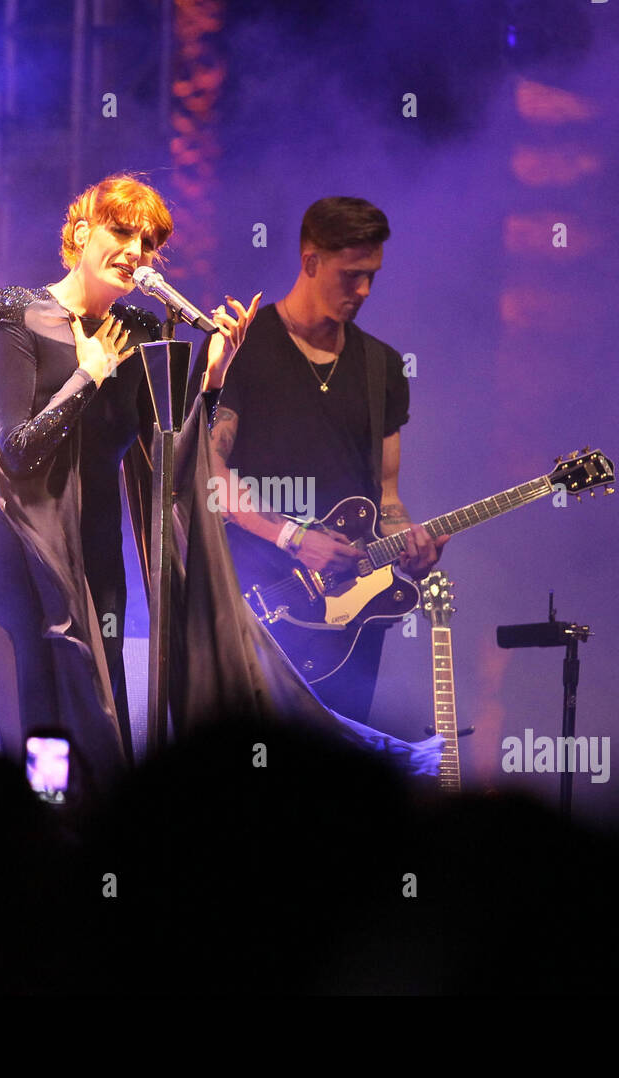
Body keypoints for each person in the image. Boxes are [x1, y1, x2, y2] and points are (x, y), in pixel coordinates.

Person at [0, 173, 259, 797]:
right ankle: (44, 849)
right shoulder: (15, 313)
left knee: (102, 725)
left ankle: (100, 862)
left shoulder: (141, 330)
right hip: (23, 556)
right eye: (122, 231)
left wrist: (211, 381)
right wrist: (86, 377)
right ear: (81, 233)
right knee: (42, 734)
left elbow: (173, 453)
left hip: (95, 555)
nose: (137, 250)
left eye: (149, 242)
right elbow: (14, 454)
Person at [205, 197, 448, 723]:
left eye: (372, 277)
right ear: (311, 263)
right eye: (351, 275)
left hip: (352, 611)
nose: (363, 291)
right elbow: (209, 473)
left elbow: (386, 495)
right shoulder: (245, 347)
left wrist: (410, 543)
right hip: (258, 597)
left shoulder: (381, 365)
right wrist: (291, 536)